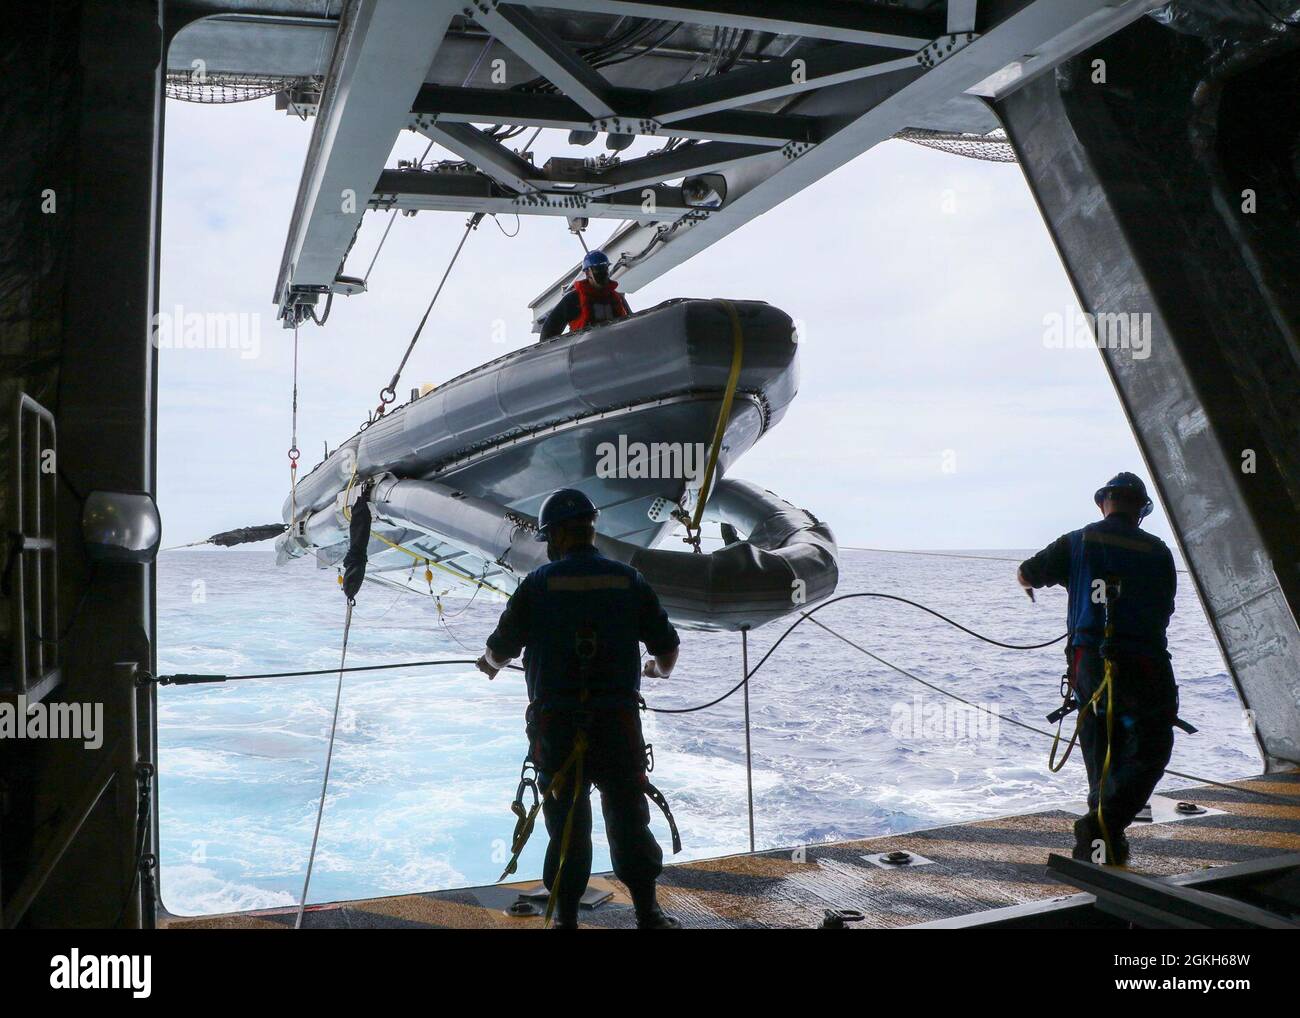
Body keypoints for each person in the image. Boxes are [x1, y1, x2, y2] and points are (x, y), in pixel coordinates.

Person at [476, 487, 682, 928]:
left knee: (567, 824)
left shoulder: (537, 585)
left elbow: (499, 649)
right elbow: (667, 649)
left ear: (555, 538)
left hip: (558, 732)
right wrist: (656, 671)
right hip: (617, 729)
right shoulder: (628, 580)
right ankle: (649, 913)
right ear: (591, 530)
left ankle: (565, 919)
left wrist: (490, 666)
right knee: (628, 819)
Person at [1017, 472, 1179, 866]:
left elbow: (1027, 572)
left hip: (1089, 662)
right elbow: (1166, 607)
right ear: (1141, 509)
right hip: (1145, 661)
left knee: (1100, 746)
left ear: (1103, 502)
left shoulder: (1079, 541)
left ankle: (1100, 834)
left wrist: (1032, 585)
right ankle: (1106, 833)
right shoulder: (1158, 550)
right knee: (1151, 745)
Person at [538, 249, 631, 340]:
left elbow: (632, 323)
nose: (602, 272)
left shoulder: (618, 298)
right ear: (587, 273)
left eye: (604, 268)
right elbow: (548, 333)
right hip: (588, 351)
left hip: (616, 349)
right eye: (597, 269)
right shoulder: (573, 299)